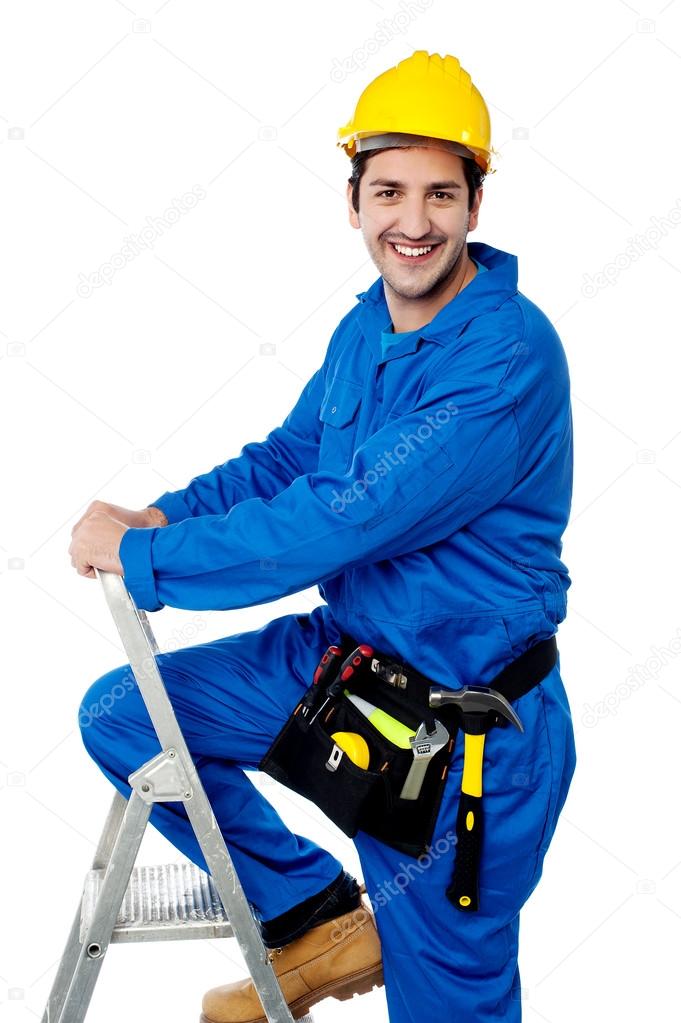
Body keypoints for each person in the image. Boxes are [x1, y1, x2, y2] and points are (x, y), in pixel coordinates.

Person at [69, 50, 577, 1023]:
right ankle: (314, 919)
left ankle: (383, 938)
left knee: (447, 1010)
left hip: (458, 741)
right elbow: (291, 460)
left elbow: (340, 518)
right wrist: (165, 515)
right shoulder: (366, 328)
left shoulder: (503, 360)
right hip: (350, 673)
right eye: (388, 191)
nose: (414, 222)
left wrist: (146, 563)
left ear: (477, 202)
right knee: (127, 718)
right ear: (354, 202)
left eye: (440, 193)